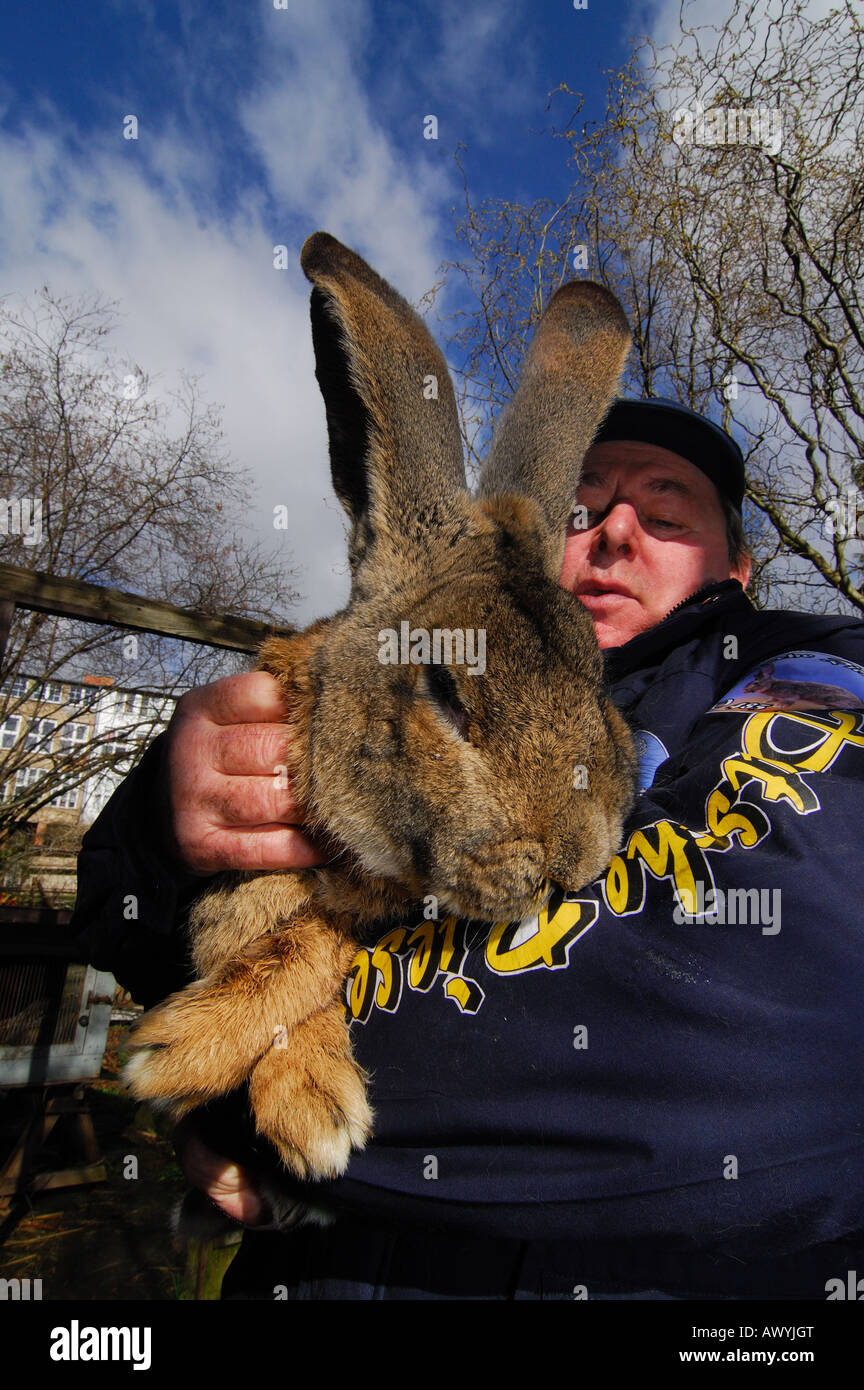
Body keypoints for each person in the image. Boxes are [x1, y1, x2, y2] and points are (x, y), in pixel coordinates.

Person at [71, 398, 864, 1300]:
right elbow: (122, 934)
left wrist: (258, 1068)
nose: (614, 534)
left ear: (741, 564)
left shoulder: (813, 669)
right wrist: (166, 829)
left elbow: (786, 1006)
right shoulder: (418, 657)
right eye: (581, 510)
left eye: (669, 512)